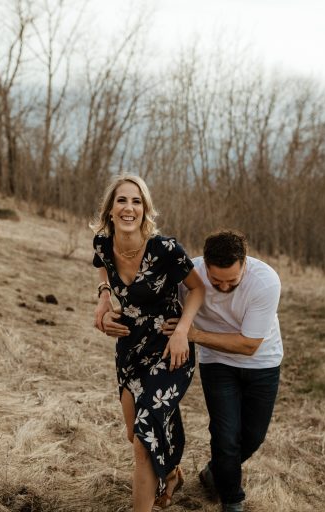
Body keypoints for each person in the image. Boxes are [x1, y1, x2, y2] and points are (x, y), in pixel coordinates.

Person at [103, 229, 283, 512]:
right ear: (205, 267)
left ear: (245, 264)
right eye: (216, 281)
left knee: (253, 437)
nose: (223, 288)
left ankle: (216, 471)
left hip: (263, 364)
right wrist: (110, 305)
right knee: (225, 436)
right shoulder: (190, 272)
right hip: (217, 363)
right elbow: (150, 293)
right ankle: (232, 499)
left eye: (231, 281)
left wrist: (193, 335)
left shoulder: (265, 281)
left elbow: (249, 345)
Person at [92, 174, 205, 511]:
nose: (129, 207)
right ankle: (170, 473)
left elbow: (198, 289)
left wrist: (184, 329)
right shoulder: (102, 243)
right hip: (129, 349)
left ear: (146, 209)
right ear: (110, 209)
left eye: (137, 201)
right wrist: (103, 297)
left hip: (170, 348)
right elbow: (102, 268)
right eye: (123, 200)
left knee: (143, 438)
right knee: (134, 434)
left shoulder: (166, 250)